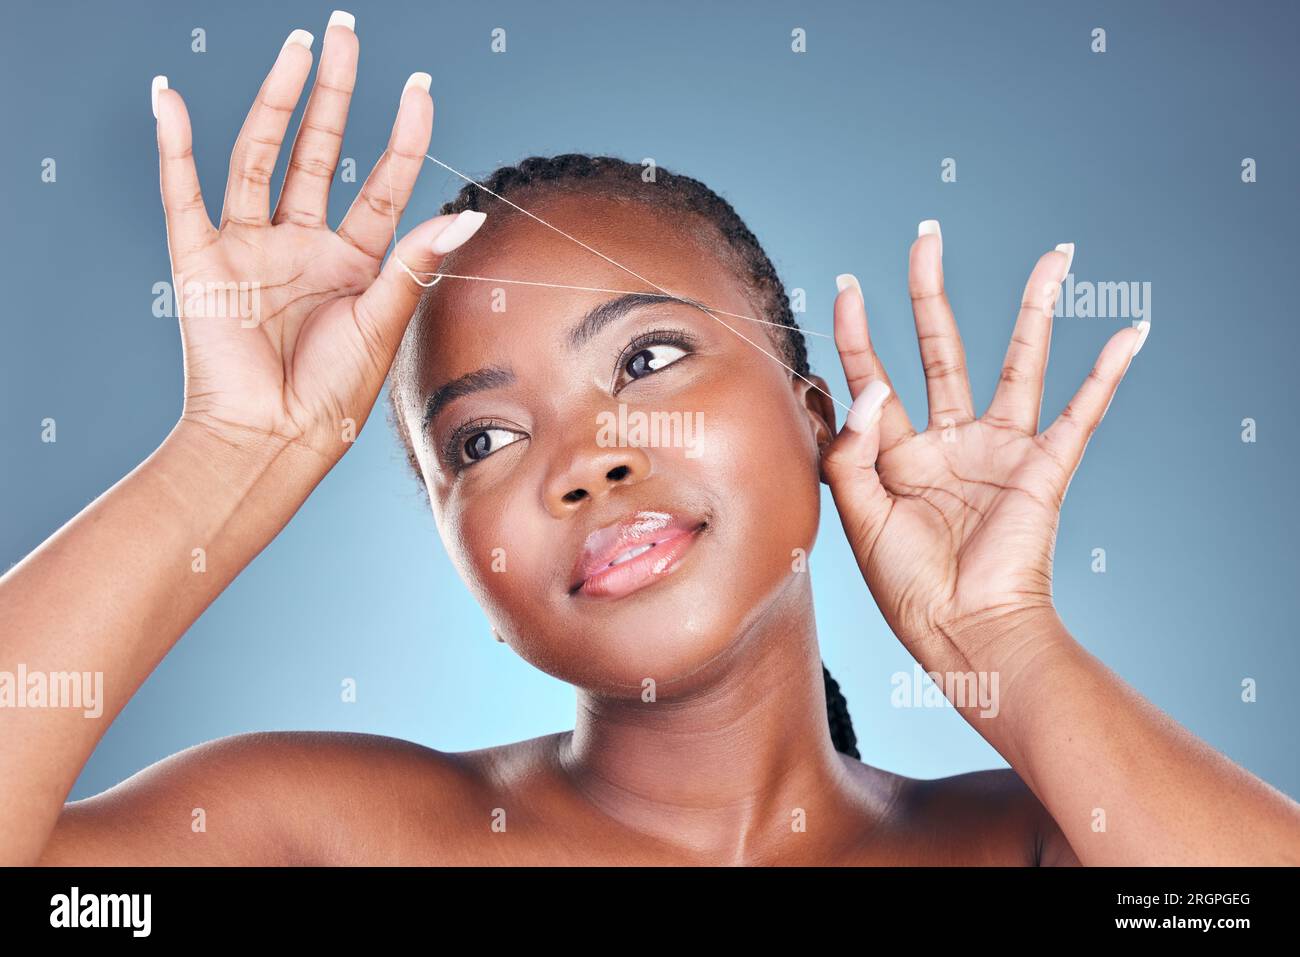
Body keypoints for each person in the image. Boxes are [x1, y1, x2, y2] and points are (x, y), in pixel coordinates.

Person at [4, 11, 1298, 866]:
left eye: (645, 357)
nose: (585, 456)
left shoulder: (1040, 845)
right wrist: (228, 453)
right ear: (469, 567)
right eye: (481, 440)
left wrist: (1005, 645)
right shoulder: (339, 837)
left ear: (812, 426)